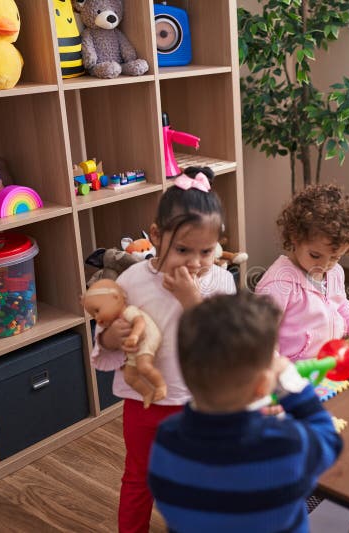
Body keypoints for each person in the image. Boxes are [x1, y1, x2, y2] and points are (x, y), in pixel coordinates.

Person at [91, 167, 236, 533]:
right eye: (183, 249)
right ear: (156, 236)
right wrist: (112, 336)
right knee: (139, 477)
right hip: (143, 404)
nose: (195, 262)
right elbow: (104, 339)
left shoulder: (219, 280)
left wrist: (191, 299)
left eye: (206, 251)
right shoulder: (131, 280)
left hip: (198, 404)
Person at [148, 292, 343, 533]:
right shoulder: (286, 443)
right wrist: (292, 386)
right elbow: (330, 440)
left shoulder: (165, 438)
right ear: (263, 385)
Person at [256, 183, 349, 361]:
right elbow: (262, 338)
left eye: (335, 258)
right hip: (296, 372)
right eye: (315, 255)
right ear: (295, 237)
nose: (323, 265)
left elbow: (342, 307)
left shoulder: (334, 273)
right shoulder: (278, 284)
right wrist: (279, 372)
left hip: (330, 361)